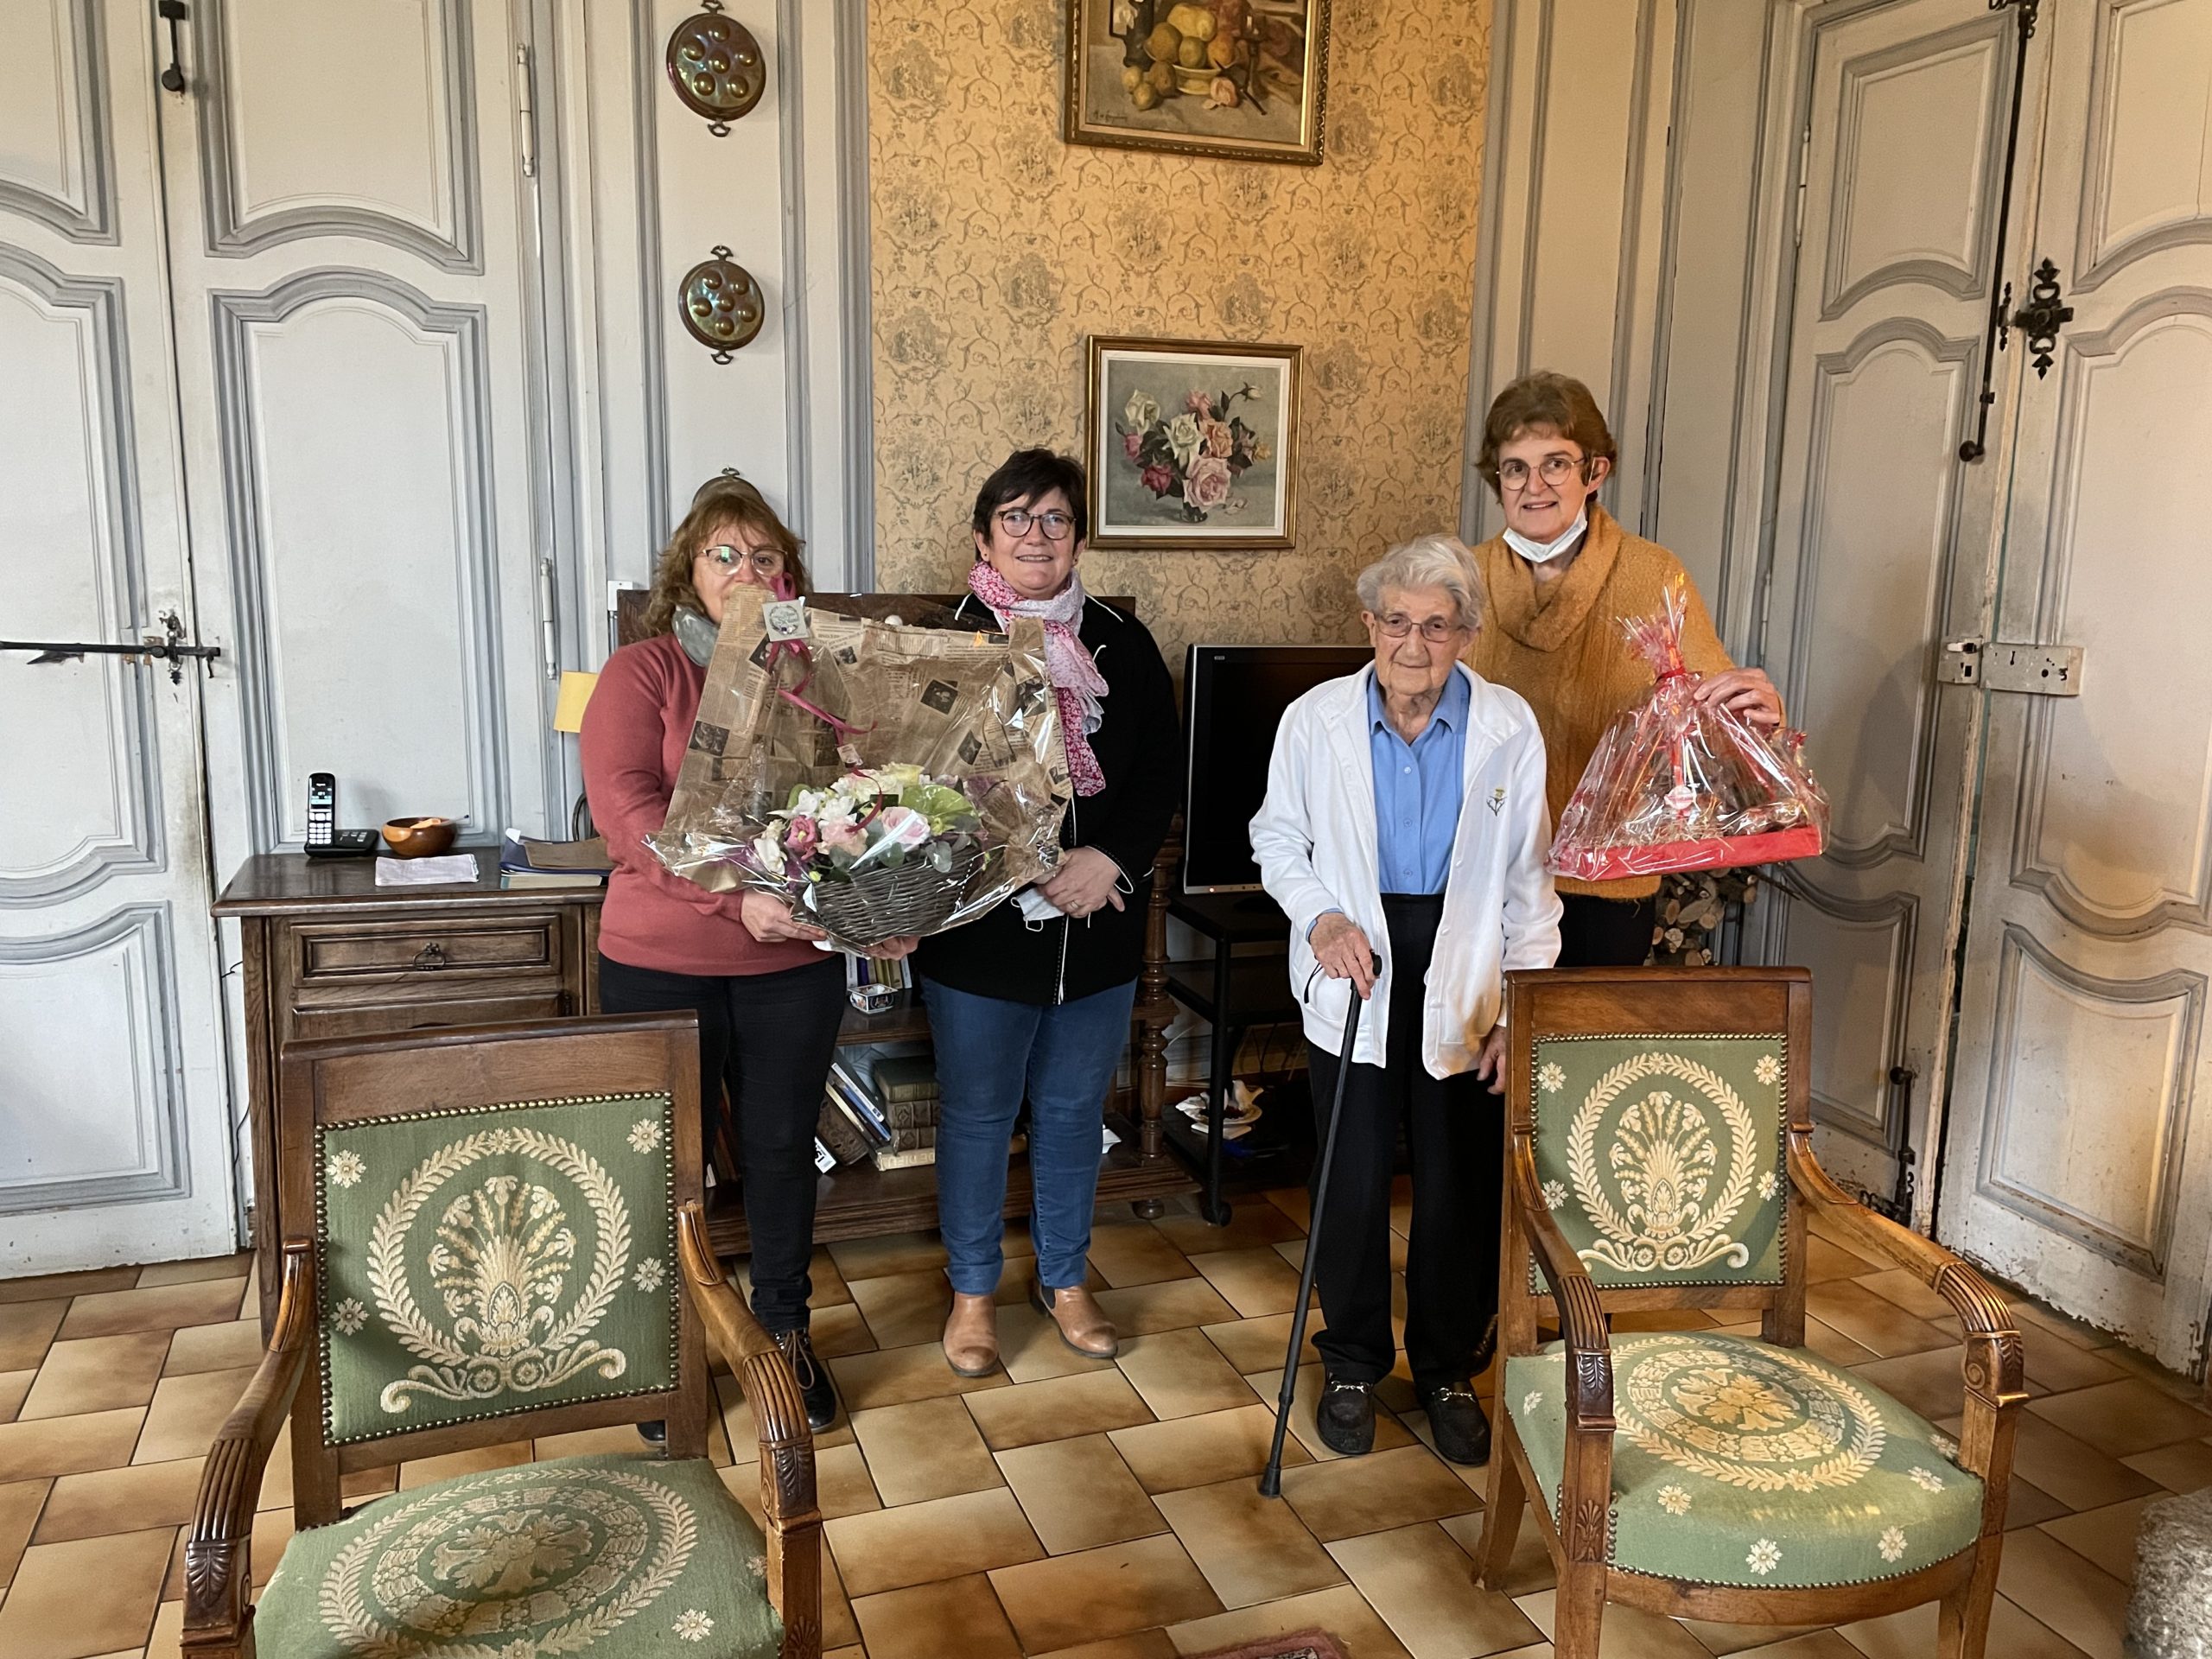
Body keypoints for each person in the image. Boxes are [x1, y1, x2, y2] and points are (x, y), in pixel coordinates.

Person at [582, 472, 915, 1433]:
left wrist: (872, 909)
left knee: (778, 1154)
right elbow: (628, 818)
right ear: (689, 573)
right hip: (659, 959)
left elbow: (853, 817)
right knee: (669, 1168)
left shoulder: (815, 684)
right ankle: (669, 1355)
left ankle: (783, 1339)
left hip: (790, 965)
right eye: (725, 553)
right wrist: (740, 901)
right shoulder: (644, 673)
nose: (747, 569)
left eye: (766, 555)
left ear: (789, 575)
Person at [1250, 534, 1561, 1465]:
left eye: (1436, 625)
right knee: (1347, 1176)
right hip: (1357, 957)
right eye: (1396, 622)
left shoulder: (1509, 726)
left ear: (1467, 634)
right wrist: (1320, 921)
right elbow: (1277, 840)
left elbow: (1529, 886)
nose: (1413, 643)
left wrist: (1521, 1010)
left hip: (1463, 965)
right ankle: (1349, 1360)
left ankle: (1442, 1368)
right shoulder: (1314, 721)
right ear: (1369, 626)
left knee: (1456, 1180)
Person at [917, 448, 1182, 1377]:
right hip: (979, 936)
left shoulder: (1122, 643)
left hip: (1097, 926)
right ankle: (974, 1293)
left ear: (1078, 538)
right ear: (984, 535)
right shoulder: (943, 642)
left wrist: (1105, 858)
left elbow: (1157, 777)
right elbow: (915, 793)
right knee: (980, 1116)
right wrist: (1026, 868)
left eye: (1056, 519)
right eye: (1017, 518)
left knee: (1073, 1114)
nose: (1037, 535)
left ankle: (1067, 1281)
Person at [1466, 372, 1783, 965]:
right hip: (1480, 875)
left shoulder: (1653, 575)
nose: (1534, 486)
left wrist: (1754, 716)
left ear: (1596, 472)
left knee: (1579, 1054)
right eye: (1515, 468)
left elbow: (1709, 719)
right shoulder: (1462, 578)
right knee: (1475, 1052)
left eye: (1555, 464)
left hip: (1607, 883)